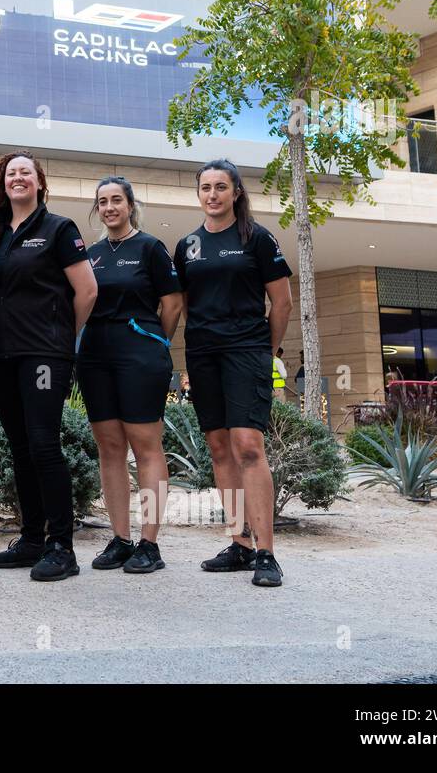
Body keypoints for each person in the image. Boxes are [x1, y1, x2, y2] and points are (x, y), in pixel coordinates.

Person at [0, 152, 97, 582]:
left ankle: (61, 547)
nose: (18, 178)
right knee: (20, 447)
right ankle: (30, 540)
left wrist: (61, 337)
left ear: (39, 182)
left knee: (44, 444)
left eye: (26, 171)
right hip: (2, 353)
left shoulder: (59, 229)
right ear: (2, 184)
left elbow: (87, 290)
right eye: (11, 173)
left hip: (45, 354)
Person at [173, 159, 292, 588]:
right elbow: (184, 304)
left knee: (247, 446)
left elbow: (282, 303)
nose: (212, 194)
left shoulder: (257, 239)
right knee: (220, 448)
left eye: (220, 187)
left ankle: (266, 552)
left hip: (247, 351)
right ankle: (240, 543)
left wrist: (266, 349)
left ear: (236, 192)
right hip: (204, 354)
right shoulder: (187, 245)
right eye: (205, 187)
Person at [77, 176, 183, 575]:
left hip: (140, 354)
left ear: (130, 205)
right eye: (102, 202)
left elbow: (172, 305)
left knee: (145, 445)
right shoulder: (92, 254)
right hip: (95, 355)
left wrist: (153, 341)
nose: (109, 208)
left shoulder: (151, 248)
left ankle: (149, 543)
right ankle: (121, 539)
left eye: (116, 200)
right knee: (108, 447)